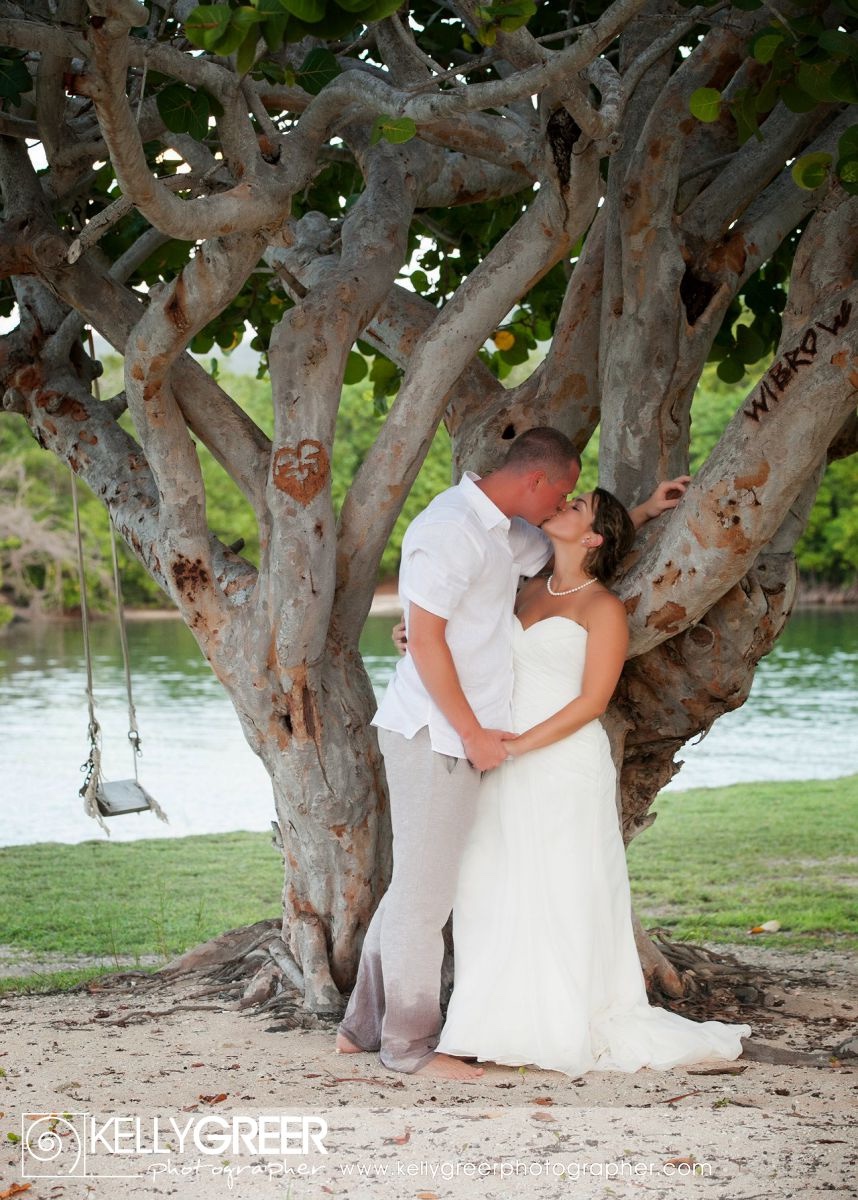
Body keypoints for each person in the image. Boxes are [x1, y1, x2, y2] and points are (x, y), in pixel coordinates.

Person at [336, 427, 688, 1079]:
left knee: (423, 885)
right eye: (563, 491)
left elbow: (581, 556)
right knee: (428, 894)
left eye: (573, 503)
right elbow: (432, 638)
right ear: (535, 483)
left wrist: (638, 513)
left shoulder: (512, 539)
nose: (563, 502)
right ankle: (409, 1048)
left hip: (498, 745)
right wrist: (470, 727)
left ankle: (361, 1027)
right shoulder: (452, 530)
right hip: (443, 735)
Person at [436, 487, 751, 1074]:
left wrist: (516, 746)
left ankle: (556, 1027)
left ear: (593, 538)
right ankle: (491, 1023)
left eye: (576, 505)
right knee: (491, 882)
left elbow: (592, 701)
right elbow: (474, 640)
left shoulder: (601, 607)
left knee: (562, 887)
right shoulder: (526, 585)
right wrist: (420, 637)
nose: (561, 504)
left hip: (559, 761)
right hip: (501, 758)